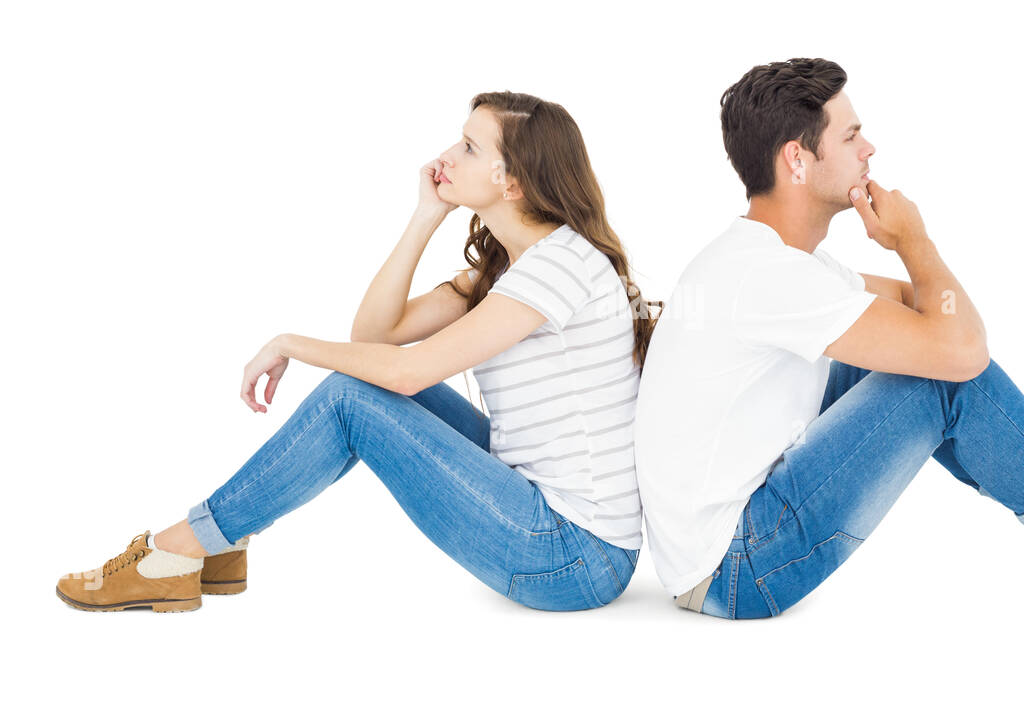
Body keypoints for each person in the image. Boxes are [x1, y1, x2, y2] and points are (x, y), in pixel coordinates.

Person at [634, 57, 1024, 620]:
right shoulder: (769, 276)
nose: (870, 148)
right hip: (738, 571)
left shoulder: (779, 262)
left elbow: (926, 309)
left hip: (715, 556)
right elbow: (960, 349)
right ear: (796, 159)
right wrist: (914, 241)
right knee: (938, 377)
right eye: (851, 136)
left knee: (906, 357)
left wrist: (924, 297)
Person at [56, 92, 648, 614]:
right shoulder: (515, 264)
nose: (447, 153)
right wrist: (426, 216)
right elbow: (375, 335)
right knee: (360, 385)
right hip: (548, 519)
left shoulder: (558, 268)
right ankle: (217, 545)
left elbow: (409, 371)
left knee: (350, 397)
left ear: (511, 182)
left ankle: (182, 549)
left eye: (469, 146)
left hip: (574, 556)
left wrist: (290, 342)